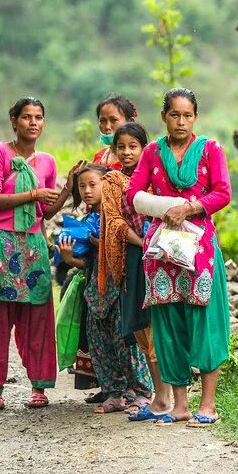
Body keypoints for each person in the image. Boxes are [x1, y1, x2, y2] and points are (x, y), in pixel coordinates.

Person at [126, 88, 231, 426]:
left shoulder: (211, 150)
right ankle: (180, 406)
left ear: (195, 117)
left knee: (204, 321)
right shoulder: (152, 153)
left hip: (200, 251)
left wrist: (188, 208)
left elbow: (223, 193)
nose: (181, 121)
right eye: (175, 115)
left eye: (187, 115)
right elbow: (133, 194)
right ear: (164, 117)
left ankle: (208, 405)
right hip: (162, 251)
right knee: (169, 324)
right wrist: (165, 207)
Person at [0, 97, 61, 410]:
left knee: (37, 318)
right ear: (14, 121)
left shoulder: (48, 162)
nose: (33, 123)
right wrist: (33, 194)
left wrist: (67, 190)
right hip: (1, 242)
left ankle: (39, 387)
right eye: (26, 117)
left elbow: (46, 211)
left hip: (33, 245)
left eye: (38, 117)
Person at [58, 163, 152, 414]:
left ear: (107, 186)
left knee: (128, 343)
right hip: (96, 292)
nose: (87, 191)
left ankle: (141, 393)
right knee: (101, 343)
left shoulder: (123, 216)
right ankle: (113, 393)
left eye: (93, 185)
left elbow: (130, 250)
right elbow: (88, 263)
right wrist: (69, 259)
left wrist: (104, 243)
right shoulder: (88, 222)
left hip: (121, 291)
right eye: (82, 186)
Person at [99, 123, 174, 420]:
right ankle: (159, 397)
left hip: (161, 256)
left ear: (144, 148)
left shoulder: (157, 176)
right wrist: (143, 242)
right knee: (143, 327)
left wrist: (154, 243)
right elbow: (115, 222)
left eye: (133, 146)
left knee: (160, 325)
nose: (127, 152)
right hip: (133, 257)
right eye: (121, 147)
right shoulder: (112, 181)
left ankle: (167, 397)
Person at [92, 95, 137, 170]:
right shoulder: (99, 156)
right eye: (102, 121)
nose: (107, 127)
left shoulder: (141, 157)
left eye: (113, 120)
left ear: (130, 122)